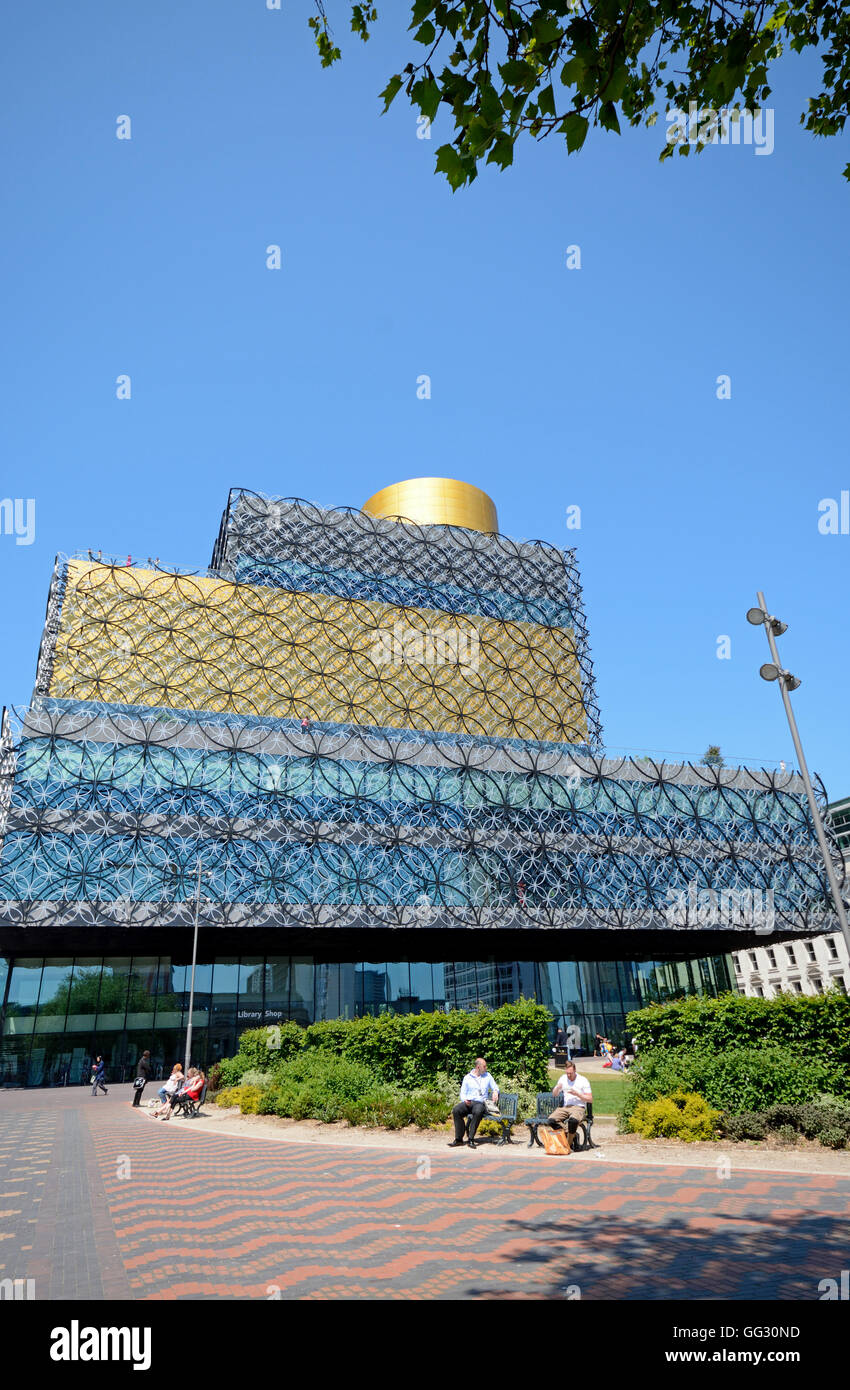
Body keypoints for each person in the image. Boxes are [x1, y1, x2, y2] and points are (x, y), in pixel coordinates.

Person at [448, 1057, 499, 1150]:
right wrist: (465, 1100)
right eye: (484, 1066)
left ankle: (471, 1138)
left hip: (480, 1103)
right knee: (456, 1110)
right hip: (469, 1102)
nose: (486, 1068)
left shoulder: (488, 1076)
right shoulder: (467, 1078)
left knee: (478, 1111)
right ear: (478, 1067)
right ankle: (459, 1139)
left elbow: (495, 1087)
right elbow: (462, 1093)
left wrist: (495, 1091)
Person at [548, 1060, 592, 1153]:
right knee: (551, 1120)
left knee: (573, 1121)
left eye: (571, 1073)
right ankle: (573, 1135)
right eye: (567, 1073)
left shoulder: (583, 1080)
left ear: (575, 1070)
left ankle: (567, 1144)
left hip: (578, 1107)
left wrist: (577, 1094)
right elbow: (555, 1094)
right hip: (566, 1107)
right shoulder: (563, 1078)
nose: (569, 1076)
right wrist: (557, 1088)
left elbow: (590, 1099)